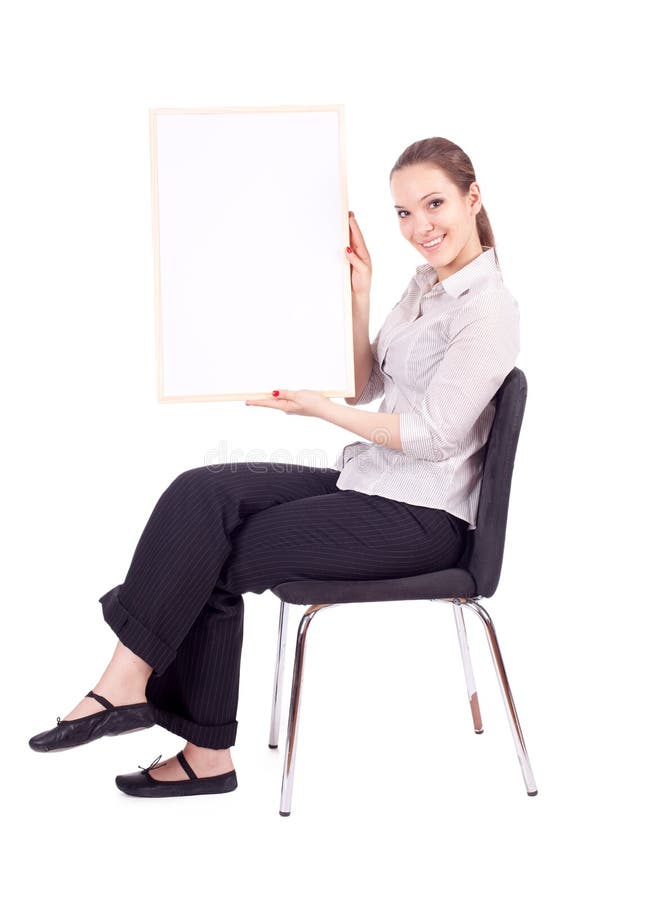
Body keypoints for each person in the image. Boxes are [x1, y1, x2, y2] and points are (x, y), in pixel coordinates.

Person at [28, 136, 520, 799]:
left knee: (219, 555)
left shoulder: (488, 309)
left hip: (424, 519)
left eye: (433, 205)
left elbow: (433, 437)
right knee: (203, 492)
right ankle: (126, 681)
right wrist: (361, 292)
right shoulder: (426, 285)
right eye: (403, 212)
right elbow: (365, 385)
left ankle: (196, 747)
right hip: (370, 483)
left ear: (473, 198)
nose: (419, 227)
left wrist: (320, 413)